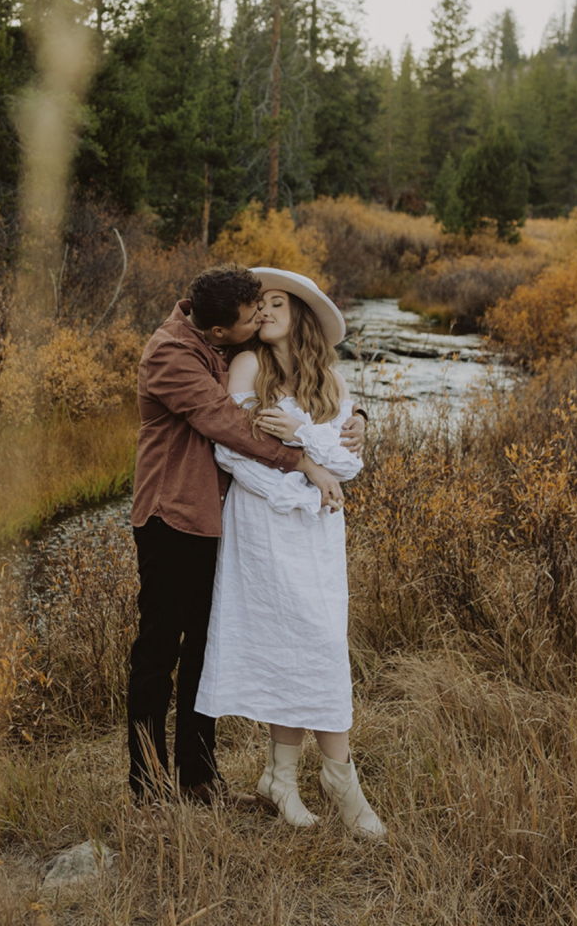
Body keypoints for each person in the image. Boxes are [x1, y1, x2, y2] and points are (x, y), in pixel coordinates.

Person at [127, 264, 366, 806]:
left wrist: (358, 414)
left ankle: (198, 782)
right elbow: (228, 424)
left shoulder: (220, 335)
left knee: (203, 653)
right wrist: (304, 460)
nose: (260, 317)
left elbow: (298, 393)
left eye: (267, 308)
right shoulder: (171, 353)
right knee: (158, 655)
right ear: (218, 333)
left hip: (212, 520)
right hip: (171, 516)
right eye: (252, 315)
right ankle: (147, 789)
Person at [194, 267, 386, 839]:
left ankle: (281, 776)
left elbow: (346, 467)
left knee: (318, 642)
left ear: (300, 314)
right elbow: (235, 453)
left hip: (321, 531)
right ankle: (338, 780)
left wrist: (307, 433)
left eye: (280, 303)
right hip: (269, 521)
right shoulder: (250, 365)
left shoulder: (328, 377)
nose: (268, 311)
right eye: (263, 304)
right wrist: (306, 479)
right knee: (298, 641)